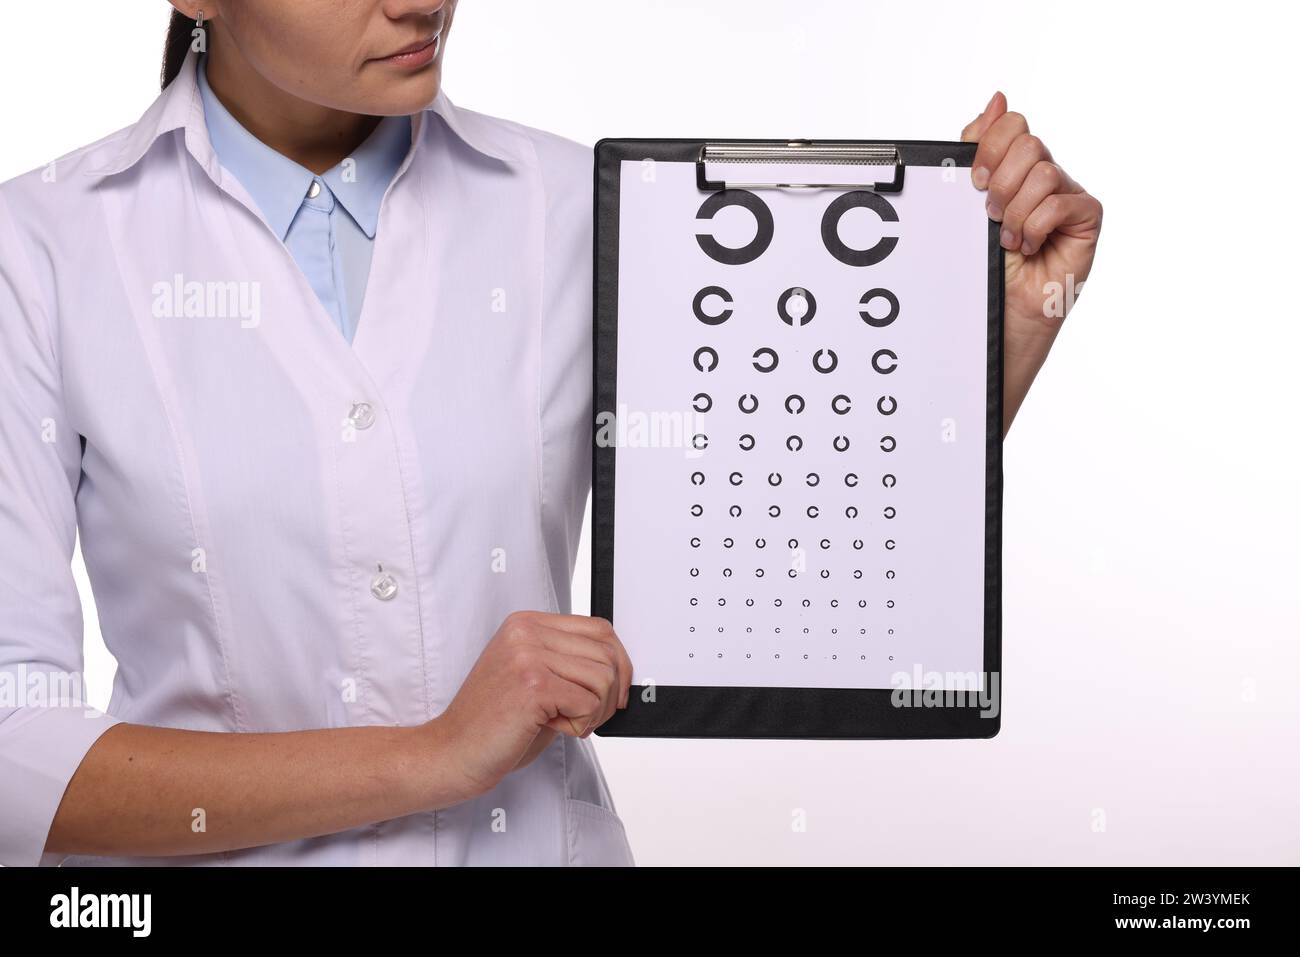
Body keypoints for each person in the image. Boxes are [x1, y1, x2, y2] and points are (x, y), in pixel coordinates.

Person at [0, 0, 1101, 867]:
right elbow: (14, 755)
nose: (419, 2)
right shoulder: (40, 254)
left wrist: (996, 333)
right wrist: (431, 758)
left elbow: (782, 567)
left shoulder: (582, 204)